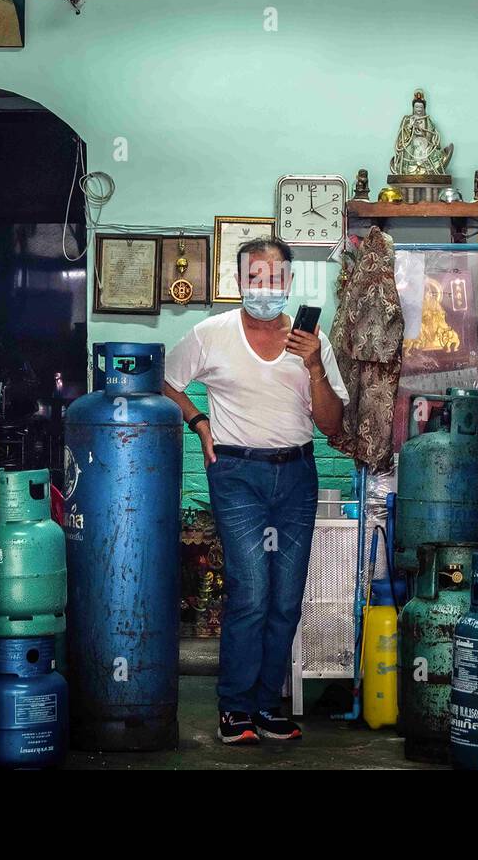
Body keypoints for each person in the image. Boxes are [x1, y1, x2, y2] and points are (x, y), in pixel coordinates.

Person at [163, 239, 347, 744]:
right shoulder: (211, 334)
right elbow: (166, 381)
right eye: (256, 276)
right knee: (252, 592)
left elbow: (331, 425)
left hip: (297, 476)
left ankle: (268, 706)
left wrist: (312, 366)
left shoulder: (314, 341)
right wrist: (200, 424)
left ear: (289, 283)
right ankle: (235, 708)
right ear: (240, 280)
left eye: (276, 277)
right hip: (237, 474)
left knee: (287, 597)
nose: (266, 287)